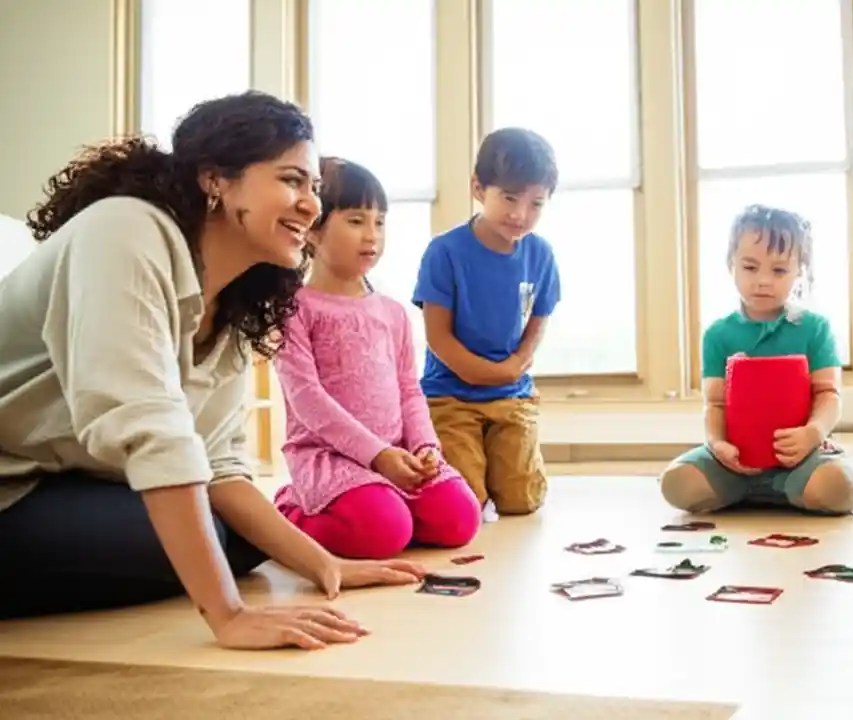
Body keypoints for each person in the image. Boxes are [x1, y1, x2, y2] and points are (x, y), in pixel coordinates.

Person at [0, 92, 425, 649]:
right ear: (215, 179)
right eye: (292, 181)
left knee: (240, 538)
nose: (310, 205)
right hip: (12, 484)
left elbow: (220, 463)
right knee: (200, 536)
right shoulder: (125, 231)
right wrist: (228, 614)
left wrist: (328, 565)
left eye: (314, 189)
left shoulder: (234, 303)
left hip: (62, 480)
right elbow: (150, 428)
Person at [272, 157, 482, 559]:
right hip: (330, 456)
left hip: (397, 452)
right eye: (355, 221)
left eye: (379, 222)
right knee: (383, 533)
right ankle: (290, 511)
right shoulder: (293, 310)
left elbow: (409, 390)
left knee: (460, 519)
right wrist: (376, 456)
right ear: (313, 230)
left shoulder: (393, 312)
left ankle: (385, 507)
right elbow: (308, 401)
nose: (372, 236)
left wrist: (426, 448)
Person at [658, 204, 853, 515]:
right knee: (675, 483)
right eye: (750, 268)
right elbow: (715, 404)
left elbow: (828, 395)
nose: (763, 280)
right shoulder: (718, 334)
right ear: (731, 265)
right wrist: (717, 445)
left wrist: (813, 434)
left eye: (779, 270)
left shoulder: (814, 327)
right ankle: (747, 489)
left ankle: (787, 488)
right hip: (734, 461)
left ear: (798, 271)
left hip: (802, 458)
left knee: (840, 486)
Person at [412, 128, 561, 519]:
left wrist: (517, 365)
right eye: (509, 198)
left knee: (521, 501)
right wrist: (486, 373)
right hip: (450, 396)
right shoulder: (444, 251)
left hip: (512, 394)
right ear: (479, 188)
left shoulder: (541, 253)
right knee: (465, 503)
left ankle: (503, 469)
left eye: (535, 204)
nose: (520, 214)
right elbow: (438, 337)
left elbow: (540, 316)